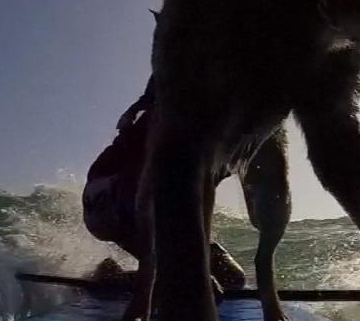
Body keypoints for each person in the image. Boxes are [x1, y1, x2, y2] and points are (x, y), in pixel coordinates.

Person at [82, 75, 247, 289]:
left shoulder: (232, 138)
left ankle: (114, 275)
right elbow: (151, 191)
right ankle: (121, 276)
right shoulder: (172, 118)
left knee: (231, 279)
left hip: (139, 207)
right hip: (106, 204)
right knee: (184, 276)